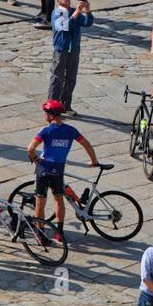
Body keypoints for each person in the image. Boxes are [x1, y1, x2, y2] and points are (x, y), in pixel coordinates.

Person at [29, 99, 99, 232]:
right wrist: (94, 161)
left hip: (43, 168)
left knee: (40, 203)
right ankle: (59, 233)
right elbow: (87, 145)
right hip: (58, 169)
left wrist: (35, 159)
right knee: (58, 200)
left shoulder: (46, 130)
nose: (44, 115)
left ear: (50, 115)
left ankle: (40, 234)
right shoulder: (71, 130)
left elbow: (31, 147)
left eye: (45, 113)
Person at [47, 0, 94, 114]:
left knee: (71, 78)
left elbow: (87, 23)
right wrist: (78, 11)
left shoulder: (74, 10)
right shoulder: (56, 13)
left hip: (74, 49)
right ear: (58, 0)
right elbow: (65, 26)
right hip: (61, 49)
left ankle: (65, 105)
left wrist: (87, 10)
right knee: (57, 78)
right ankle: (51, 106)